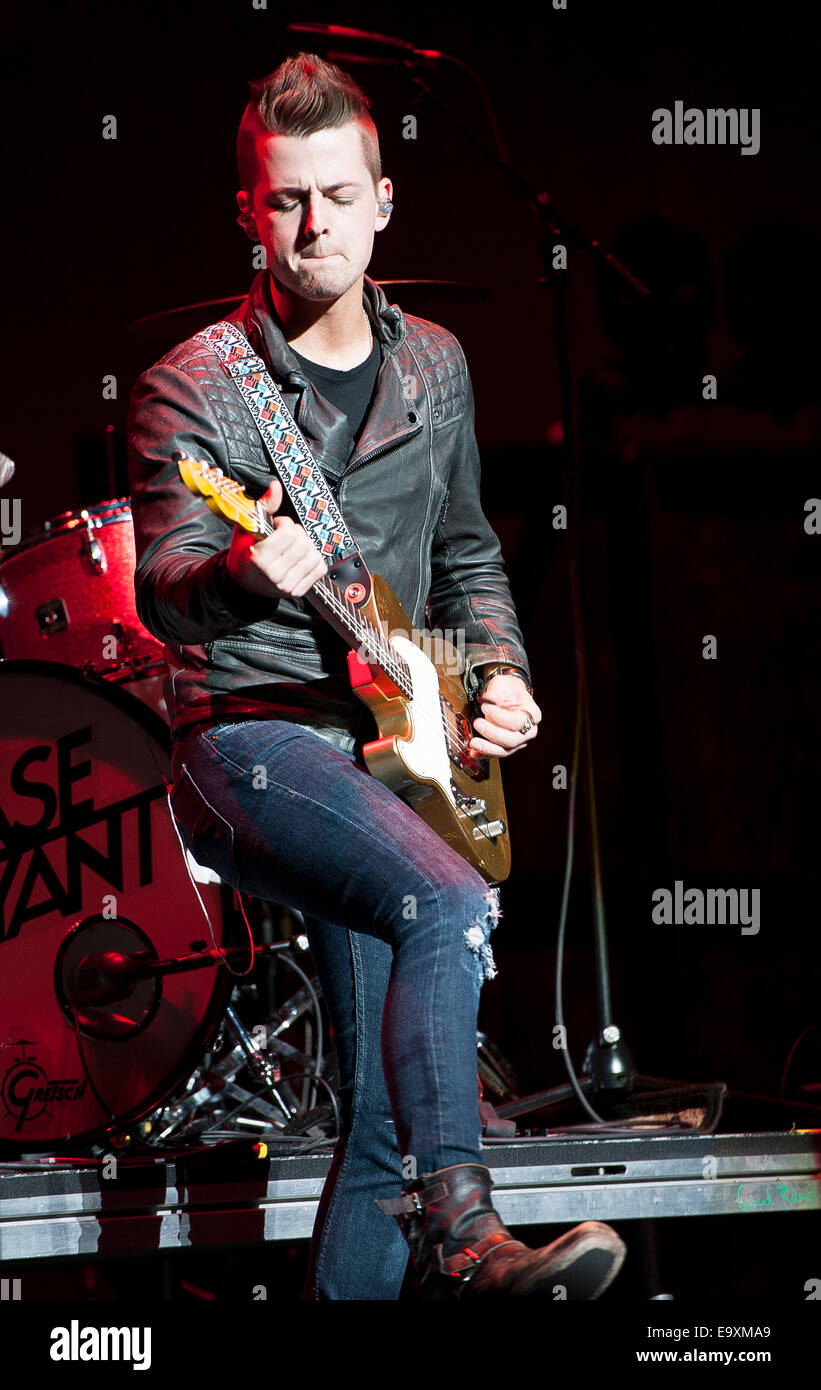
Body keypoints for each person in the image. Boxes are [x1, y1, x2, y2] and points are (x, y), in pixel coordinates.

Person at [128, 51, 626, 1301]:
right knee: (450, 906)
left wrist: (497, 672)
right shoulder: (193, 384)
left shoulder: (437, 366)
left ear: (382, 200)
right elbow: (163, 595)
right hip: (250, 741)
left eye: (336, 198)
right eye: (285, 200)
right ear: (248, 210)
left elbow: (465, 554)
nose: (312, 227)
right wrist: (246, 568)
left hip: (387, 744)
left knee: (373, 1130)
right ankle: (467, 1236)